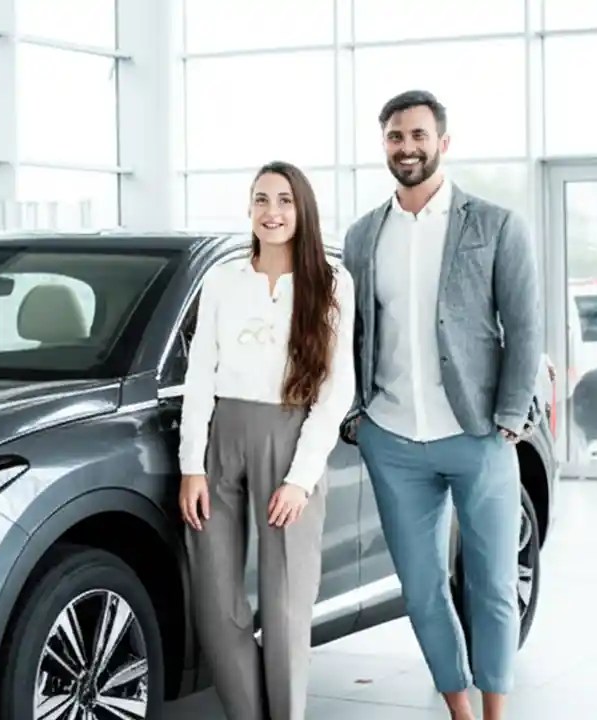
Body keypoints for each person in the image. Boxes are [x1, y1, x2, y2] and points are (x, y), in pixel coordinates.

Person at [340, 89, 543, 720]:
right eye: (396, 137)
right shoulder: (362, 235)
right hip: (393, 438)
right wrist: (357, 415)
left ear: (443, 143)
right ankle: (458, 708)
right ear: (385, 145)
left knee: (492, 587)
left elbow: (526, 326)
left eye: (418, 136)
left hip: (478, 434)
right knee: (423, 589)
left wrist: (511, 416)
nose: (407, 148)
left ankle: (495, 710)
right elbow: (352, 330)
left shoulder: (497, 225)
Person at [178, 160, 356, 720]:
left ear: (302, 209)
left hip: (291, 437)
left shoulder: (331, 283)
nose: (271, 212)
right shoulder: (222, 280)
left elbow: (336, 389)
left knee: (284, 603)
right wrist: (192, 465)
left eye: (283, 200)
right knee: (215, 599)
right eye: (260, 200)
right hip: (222, 436)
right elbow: (199, 372)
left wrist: (301, 479)